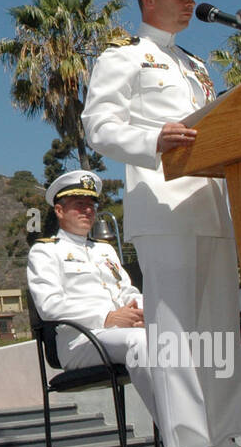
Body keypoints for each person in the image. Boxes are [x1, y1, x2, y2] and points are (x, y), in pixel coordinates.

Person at [81, 0, 241, 447]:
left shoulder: (196, 65)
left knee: (220, 333)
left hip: (212, 205)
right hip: (162, 203)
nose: (190, 2)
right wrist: (152, 140)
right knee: (175, 337)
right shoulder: (123, 57)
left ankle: (225, 443)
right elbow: (99, 128)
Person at [26, 171, 156, 422]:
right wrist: (107, 318)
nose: (88, 211)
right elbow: (50, 306)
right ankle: (179, 442)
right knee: (142, 343)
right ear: (60, 211)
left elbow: (127, 291)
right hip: (78, 341)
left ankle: (208, 433)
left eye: (91, 205)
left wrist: (140, 313)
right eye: (79, 205)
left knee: (182, 339)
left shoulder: (104, 250)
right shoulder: (44, 251)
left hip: (121, 334)